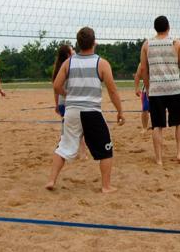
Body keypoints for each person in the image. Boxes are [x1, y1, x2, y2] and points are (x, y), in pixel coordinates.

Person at [45, 27, 125, 193]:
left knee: (64, 146)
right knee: (106, 149)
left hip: (72, 111)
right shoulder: (101, 63)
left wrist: (68, 95)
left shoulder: (69, 62)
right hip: (91, 111)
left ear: (78, 43)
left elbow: (56, 85)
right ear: (94, 42)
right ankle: (106, 186)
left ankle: (51, 180)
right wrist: (120, 111)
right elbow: (112, 90)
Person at [139, 16, 180, 165]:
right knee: (179, 122)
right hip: (174, 87)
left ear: (155, 28)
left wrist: (148, 88)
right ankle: (179, 153)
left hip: (156, 90)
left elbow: (143, 69)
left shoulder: (147, 44)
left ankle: (159, 159)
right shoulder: (176, 43)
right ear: (168, 27)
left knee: (157, 126)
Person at [52, 44, 87, 159]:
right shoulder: (70, 66)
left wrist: (57, 104)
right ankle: (82, 153)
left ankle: (63, 148)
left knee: (68, 127)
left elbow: (56, 89)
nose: (74, 51)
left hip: (63, 103)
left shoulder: (58, 67)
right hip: (71, 102)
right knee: (79, 128)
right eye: (72, 50)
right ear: (68, 54)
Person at [133, 62, 151, 131]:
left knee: (158, 108)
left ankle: (156, 125)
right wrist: (137, 88)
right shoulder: (143, 63)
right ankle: (144, 128)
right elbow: (137, 75)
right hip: (146, 88)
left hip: (159, 89)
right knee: (145, 108)